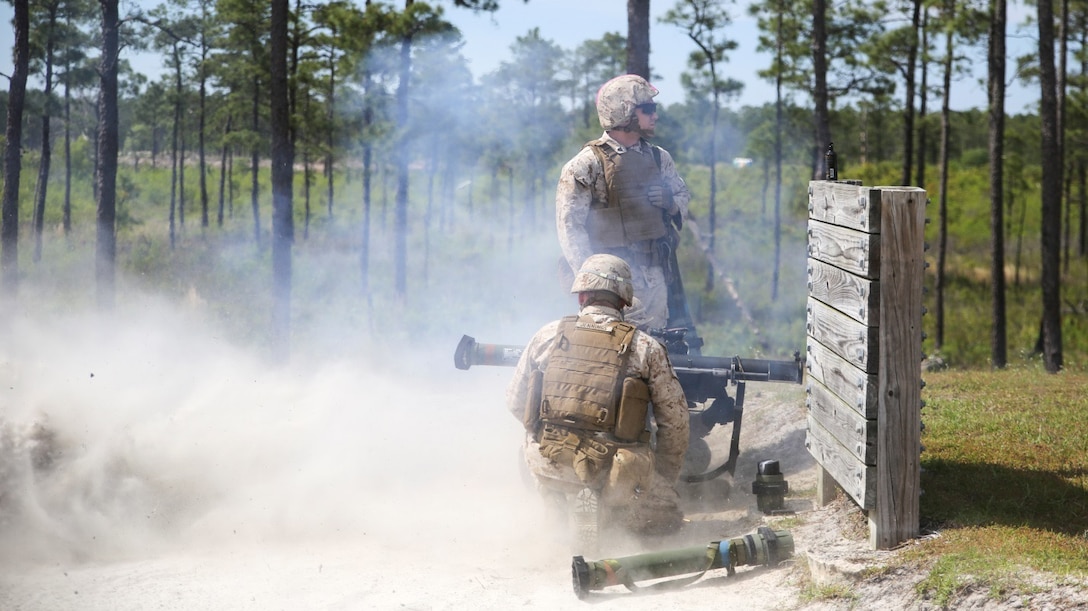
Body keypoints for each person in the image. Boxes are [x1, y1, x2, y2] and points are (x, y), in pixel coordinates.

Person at [506, 254, 690, 552]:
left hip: (550, 462)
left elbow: (516, 403)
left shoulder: (546, 336)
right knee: (669, 517)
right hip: (614, 473)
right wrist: (661, 479)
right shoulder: (646, 348)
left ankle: (557, 505)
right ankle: (611, 519)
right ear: (623, 302)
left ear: (582, 296)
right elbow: (676, 425)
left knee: (533, 446)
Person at [555, 74, 692, 332]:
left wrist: (670, 202)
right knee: (610, 352)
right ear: (624, 110)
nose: (655, 116)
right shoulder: (585, 165)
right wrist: (594, 285)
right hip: (609, 285)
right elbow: (570, 229)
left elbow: (683, 197)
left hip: (654, 276)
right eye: (648, 109)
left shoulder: (659, 158)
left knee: (654, 353)